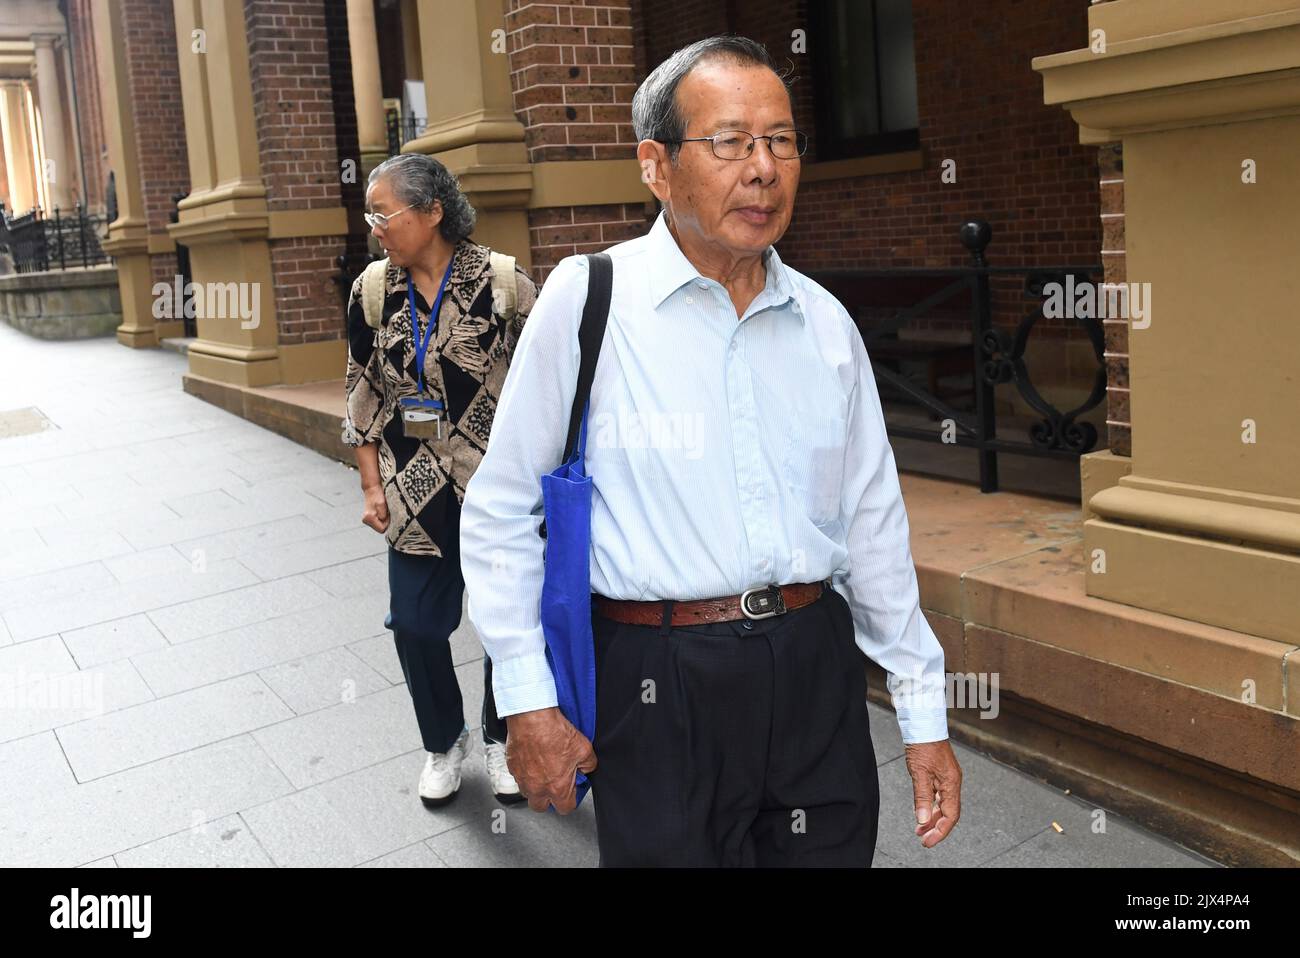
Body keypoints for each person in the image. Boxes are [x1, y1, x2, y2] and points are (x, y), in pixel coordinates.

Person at [460, 35, 963, 866]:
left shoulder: (826, 325)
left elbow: (874, 527)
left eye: (782, 141)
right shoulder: (590, 301)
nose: (762, 168)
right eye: (728, 141)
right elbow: (501, 506)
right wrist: (527, 702)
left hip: (814, 672)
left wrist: (921, 714)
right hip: (658, 682)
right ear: (656, 165)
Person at [341, 152, 538, 808]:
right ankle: (442, 740)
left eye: (383, 212)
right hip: (415, 482)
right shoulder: (374, 291)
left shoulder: (505, 284)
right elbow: (362, 394)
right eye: (370, 213)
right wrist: (372, 485)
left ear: (432, 211)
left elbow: (547, 388)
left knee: (506, 620)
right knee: (416, 624)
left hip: (499, 487)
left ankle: (500, 737)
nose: (375, 226)